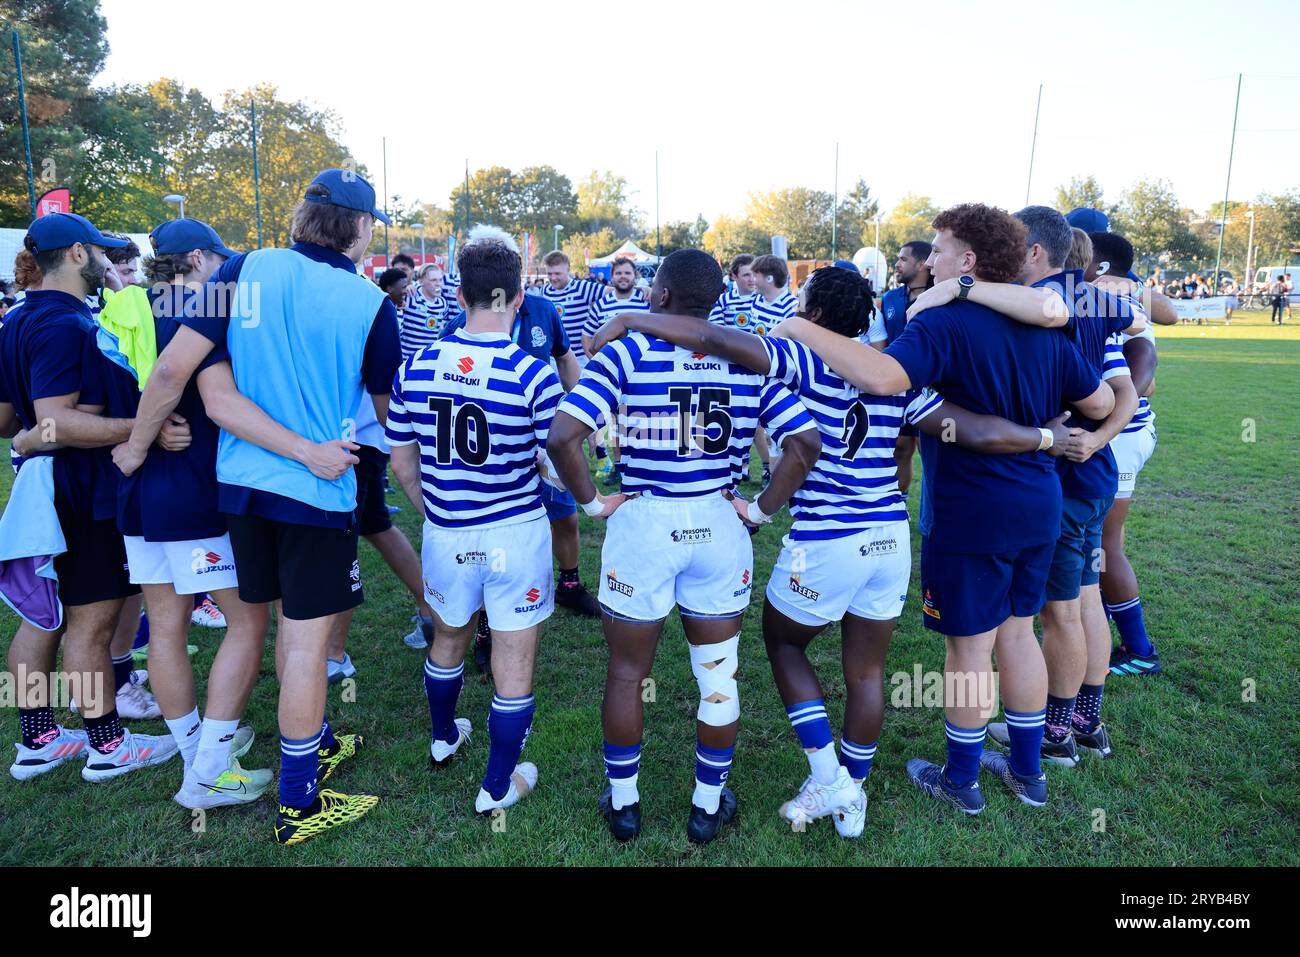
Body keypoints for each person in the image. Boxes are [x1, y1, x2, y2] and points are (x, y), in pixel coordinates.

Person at [589, 265, 1080, 836]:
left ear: (815, 313)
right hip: (889, 539)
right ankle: (853, 799)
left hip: (826, 536)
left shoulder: (799, 359)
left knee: (784, 642)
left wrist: (632, 319)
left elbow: (714, 338)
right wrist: (1043, 437)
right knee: (867, 671)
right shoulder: (894, 373)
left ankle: (832, 777)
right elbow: (971, 430)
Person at [779, 203, 1115, 815]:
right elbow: (1098, 400)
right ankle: (1027, 773)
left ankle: (962, 780)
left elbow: (883, 377)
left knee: (967, 650)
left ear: (970, 261)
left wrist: (801, 329)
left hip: (973, 510)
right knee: (1017, 632)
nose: (928, 260)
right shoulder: (1045, 327)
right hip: (1040, 501)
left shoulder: (946, 321)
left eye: (938, 250)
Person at [115, 169, 401, 845]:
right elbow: (393, 419)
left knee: (281, 625)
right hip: (314, 489)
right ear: (359, 227)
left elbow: (178, 377)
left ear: (305, 215)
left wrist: (134, 446)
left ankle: (315, 741)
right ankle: (300, 802)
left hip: (241, 490)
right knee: (305, 643)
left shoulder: (243, 267)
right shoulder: (368, 302)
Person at [548, 249, 822, 844]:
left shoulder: (628, 349)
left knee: (627, 673)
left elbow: (565, 435)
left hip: (645, 521)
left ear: (663, 297)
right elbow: (803, 445)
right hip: (719, 523)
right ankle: (705, 806)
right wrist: (760, 510)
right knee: (718, 676)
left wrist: (593, 504)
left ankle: (624, 805)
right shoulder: (746, 357)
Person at [86, 217, 275, 807]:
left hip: (140, 493)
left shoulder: (126, 309)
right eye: (219, 260)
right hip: (193, 491)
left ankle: (197, 754)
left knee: (166, 626)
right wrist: (143, 439)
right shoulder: (198, 311)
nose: (227, 272)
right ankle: (210, 771)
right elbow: (191, 388)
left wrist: (136, 443)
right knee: (247, 622)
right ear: (197, 258)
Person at [388, 225, 562, 813]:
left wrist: (437, 512)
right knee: (514, 655)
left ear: (459, 296)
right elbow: (557, 464)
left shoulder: (415, 367)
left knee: (449, 635)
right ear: (517, 300)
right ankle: (496, 785)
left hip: (447, 530)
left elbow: (403, 464)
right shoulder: (532, 373)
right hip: (515, 529)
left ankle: (443, 738)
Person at [0, 213, 177, 782]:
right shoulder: (63, 325)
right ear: (77, 254)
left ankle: (38, 740)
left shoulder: (21, 318)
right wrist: (142, 425)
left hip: (52, 488)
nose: (109, 262)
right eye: (101, 253)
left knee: (45, 619)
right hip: (81, 490)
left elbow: (9, 421)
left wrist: (33, 434)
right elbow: (52, 423)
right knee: (90, 625)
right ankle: (107, 745)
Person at [979, 208, 1141, 769]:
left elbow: (1105, 389)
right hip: (1093, 472)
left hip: (1069, 480)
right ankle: (1087, 722)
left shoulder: (1053, 310)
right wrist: (1102, 442)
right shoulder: (1100, 305)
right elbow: (1125, 391)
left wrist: (1088, 441)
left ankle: (1055, 734)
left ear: (1034, 252)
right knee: (1085, 601)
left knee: (1061, 613)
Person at [438, 259, 590, 669]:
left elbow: (565, 358)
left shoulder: (544, 310)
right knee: (500, 537)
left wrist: (581, 415)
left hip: (546, 433)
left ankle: (570, 583)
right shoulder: (462, 319)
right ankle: (488, 623)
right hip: (499, 444)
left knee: (564, 518)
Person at [1089, 232, 1163, 678]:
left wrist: (1107, 419)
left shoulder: (1116, 300)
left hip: (1119, 437)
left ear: (1097, 263)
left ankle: (1139, 648)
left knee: (1105, 545)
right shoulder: (1114, 295)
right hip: (1120, 433)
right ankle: (1097, 628)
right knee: (1095, 544)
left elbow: (1144, 367)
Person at [582, 257, 650, 487]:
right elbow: (587, 336)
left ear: (635, 277)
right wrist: (602, 364)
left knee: (643, 419)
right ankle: (620, 466)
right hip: (615, 374)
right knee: (615, 421)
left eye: (627, 273)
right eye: (619, 273)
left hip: (643, 372)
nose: (623, 277)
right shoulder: (603, 304)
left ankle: (642, 463)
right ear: (612, 277)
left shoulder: (645, 300)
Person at [540, 250, 603, 367]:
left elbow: (615, 292)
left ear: (568, 269)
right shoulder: (545, 290)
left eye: (558, 273)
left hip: (579, 358)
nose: (553, 278)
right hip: (554, 359)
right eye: (549, 274)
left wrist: (642, 289)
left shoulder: (582, 287)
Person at [708, 254, 757, 329]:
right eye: (746, 275)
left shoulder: (765, 299)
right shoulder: (722, 300)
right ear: (734, 276)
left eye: (754, 274)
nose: (752, 279)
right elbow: (716, 331)